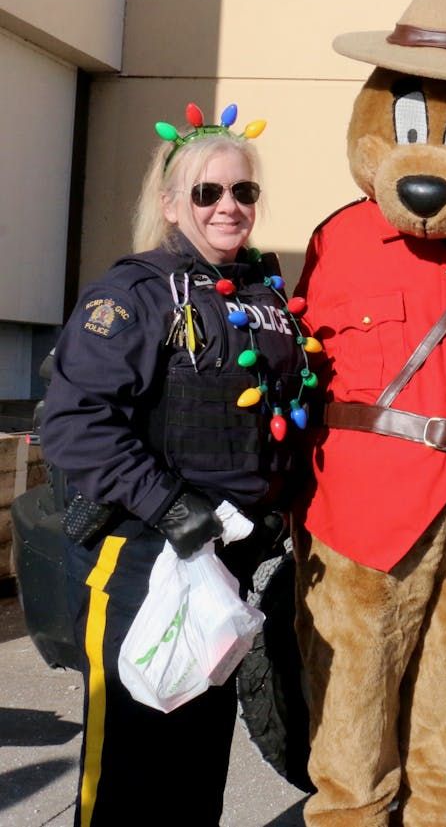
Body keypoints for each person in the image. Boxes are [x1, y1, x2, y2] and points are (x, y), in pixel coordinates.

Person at [40, 104, 308, 827]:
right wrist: (168, 504)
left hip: (224, 569)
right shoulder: (132, 293)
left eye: (243, 192)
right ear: (170, 204)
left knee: (195, 774)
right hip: (144, 562)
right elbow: (71, 421)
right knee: (130, 778)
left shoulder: (263, 294)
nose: (229, 206)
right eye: (207, 192)